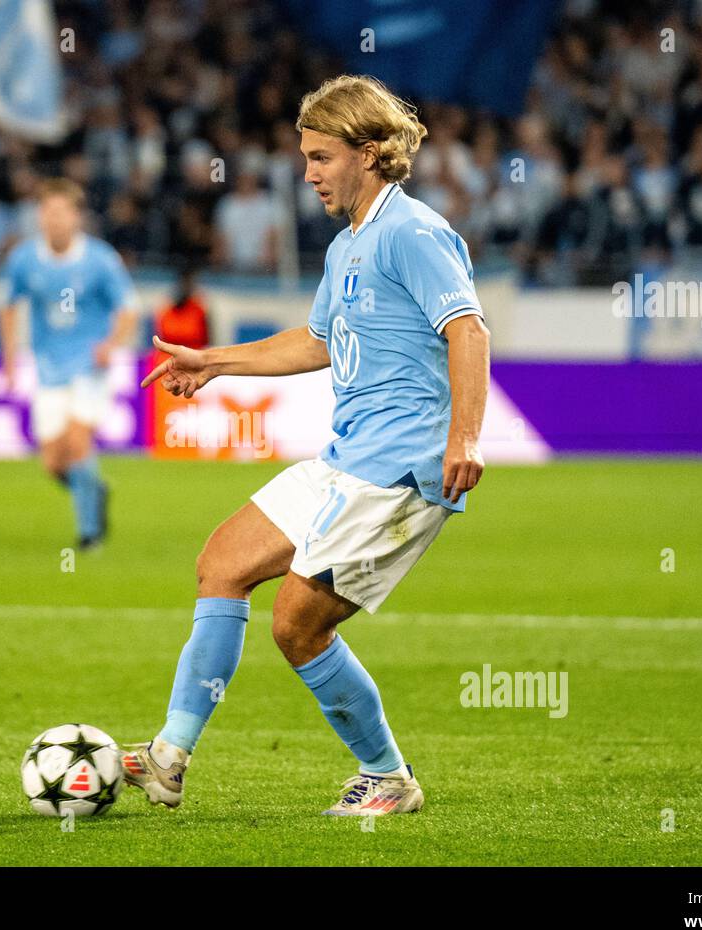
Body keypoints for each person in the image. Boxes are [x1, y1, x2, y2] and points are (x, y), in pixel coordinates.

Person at [121, 75, 492, 816]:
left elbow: (469, 329)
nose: (309, 173)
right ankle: (168, 758)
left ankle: (386, 776)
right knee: (222, 563)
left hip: (400, 471)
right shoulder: (348, 244)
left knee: (296, 625)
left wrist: (467, 436)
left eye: (322, 157)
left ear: (371, 152)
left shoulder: (412, 233)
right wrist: (214, 361)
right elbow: (317, 341)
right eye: (306, 158)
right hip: (346, 458)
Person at [0, 178, 138, 550]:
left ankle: (89, 535)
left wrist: (110, 344)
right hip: (48, 368)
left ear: (76, 217)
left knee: (77, 444)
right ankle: (94, 487)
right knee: (53, 464)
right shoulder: (24, 259)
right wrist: (10, 360)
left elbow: (128, 310)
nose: (53, 220)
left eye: (60, 212)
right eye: (46, 212)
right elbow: (8, 307)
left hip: (89, 366)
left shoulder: (100, 259)